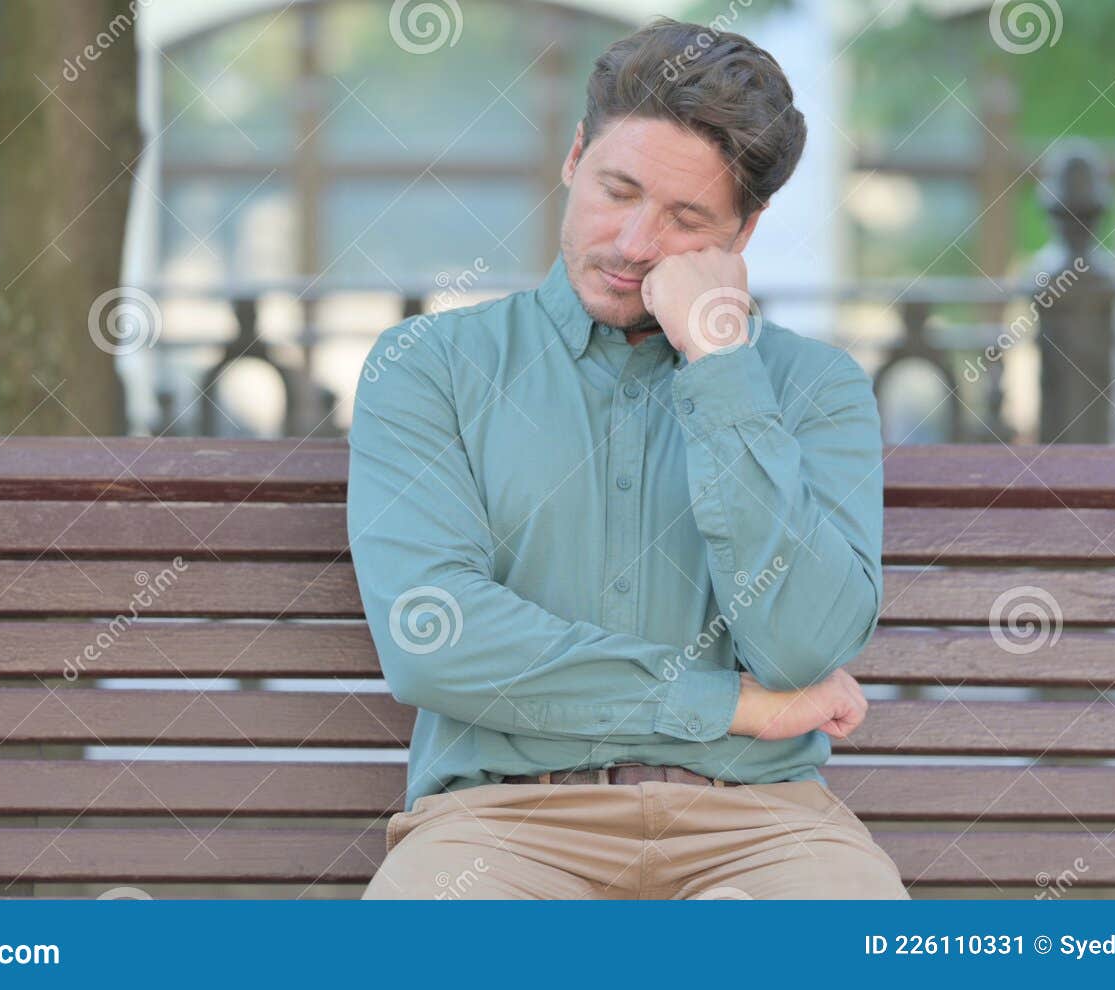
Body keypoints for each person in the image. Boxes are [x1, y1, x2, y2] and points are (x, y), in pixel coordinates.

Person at [347, 17, 906, 900]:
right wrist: (729, 706)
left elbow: (803, 649)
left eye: (686, 219)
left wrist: (720, 366)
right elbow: (437, 640)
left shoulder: (816, 388)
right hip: (501, 826)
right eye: (618, 190)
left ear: (744, 232)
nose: (636, 243)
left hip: (762, 826)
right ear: (575, 157)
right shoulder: (430, 367)